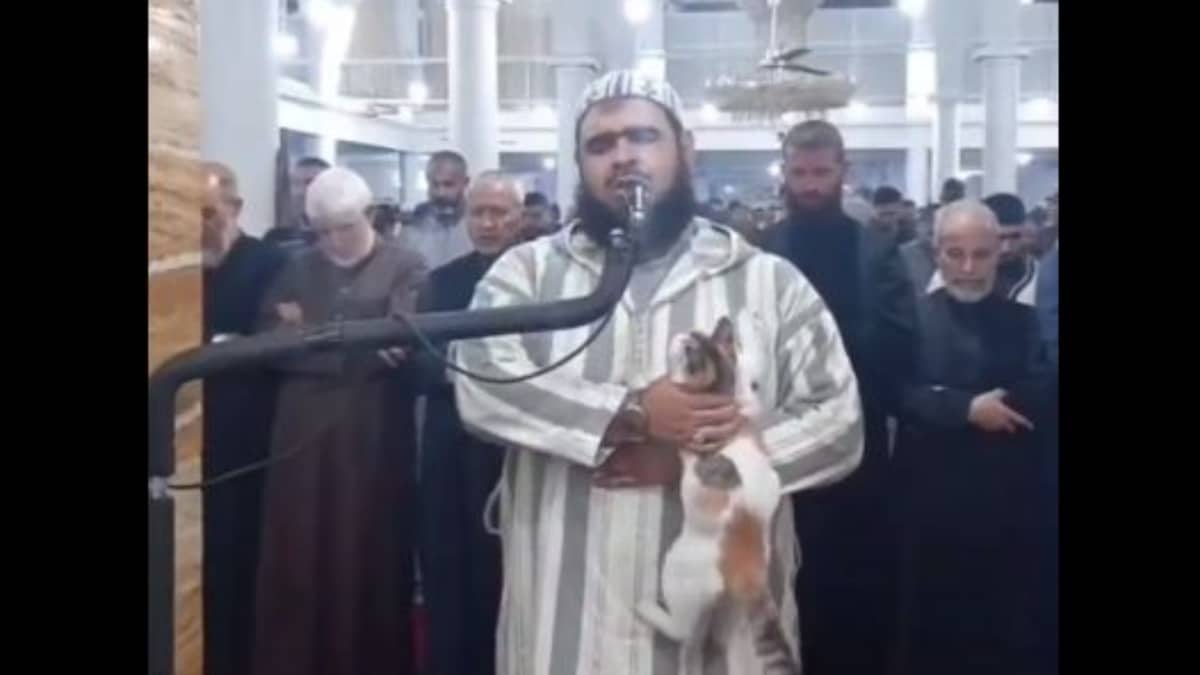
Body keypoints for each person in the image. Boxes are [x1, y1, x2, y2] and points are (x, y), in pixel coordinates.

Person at [453, 69, 865, 675]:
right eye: (600, 145)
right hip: (567, 618)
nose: (622, 157)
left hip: (724, 628)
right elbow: (481, 380)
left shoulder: (767, 282)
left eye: (642, 137)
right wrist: (632, 414)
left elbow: (839, 425)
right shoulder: (529, 275)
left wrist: (694, 467)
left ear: (686, 151)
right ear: (580, 166)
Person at [252, 168, 428, 675]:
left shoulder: (406, 266)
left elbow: (399, 344)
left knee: (367, 557)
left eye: (344, 227)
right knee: (298, 557)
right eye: (322, 230)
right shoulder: (294, 268)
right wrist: (353, 343)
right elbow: (268, 345)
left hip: (372, 438)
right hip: (299, 444)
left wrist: (308, 333)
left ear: (370, 216)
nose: (333, 241)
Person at [761, 119, 916, 675]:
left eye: (820, 173)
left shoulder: (877, 253)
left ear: (842, 173)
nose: (809, 185)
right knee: (782, 576)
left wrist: (834, 373)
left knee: (855, 585)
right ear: (785, 174)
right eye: (799, 173)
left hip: (860, 443)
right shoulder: (763, 252)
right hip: (778, 444)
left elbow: (900, 344)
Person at [891, 200, 1054, 675]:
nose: (967, 268)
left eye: (980, 255)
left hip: (1005, 507)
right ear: (935, 253)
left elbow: (1042, 385)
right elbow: (895, 391)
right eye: (955, 253)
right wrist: (965, 409)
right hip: (928, 507)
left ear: (998, 252)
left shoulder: (1022, 322)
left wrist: (953, 400)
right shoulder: (911, 320)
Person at [416, 171, 527, 675]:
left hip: (514, 447)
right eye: (478, 213)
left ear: (518, 219)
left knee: (507, 572)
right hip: (448, 441)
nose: (487, 223)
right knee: (448, 565)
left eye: (498, 213)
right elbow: (422, 364)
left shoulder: (540, 279)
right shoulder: (442, 282)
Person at [199, 162, 287, 675]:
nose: (200, 225)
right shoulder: (174, 268)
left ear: (234, 210)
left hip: (246, 445)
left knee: (239, 565)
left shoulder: (268, 265)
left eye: (208, 212)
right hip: (184, 445)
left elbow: (268, 346)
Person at [398, 150, 473, 269]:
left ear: (465, 182)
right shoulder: (412, 227)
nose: (440, 193)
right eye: (435, 184)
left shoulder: (478, 224)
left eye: (448, 185)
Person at [263, 156, 329, 254]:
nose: (299, 191)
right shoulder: (275, 239)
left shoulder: (343, 237)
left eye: (309, 182)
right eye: (295, 183)